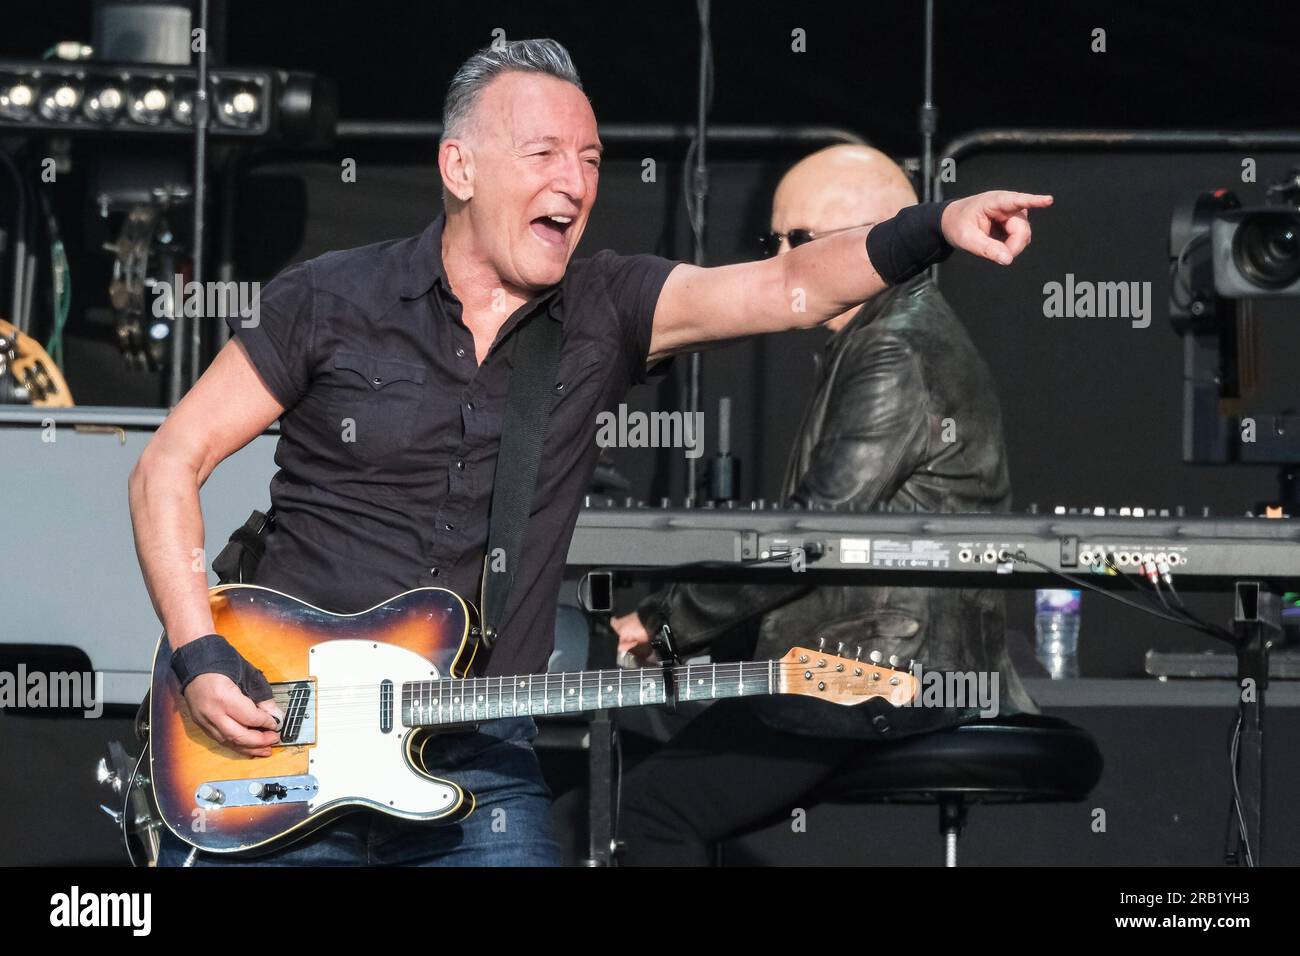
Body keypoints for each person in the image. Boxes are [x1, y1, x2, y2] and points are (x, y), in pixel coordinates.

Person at [127, 39, 1050, 866]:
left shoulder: (605, 310)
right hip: (274, 738)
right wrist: (199, 652)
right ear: (459, 167)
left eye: (591, 159)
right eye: (543, 155)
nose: (573, 182)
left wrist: (932, 228)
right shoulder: (330, 298)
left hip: (475, 764)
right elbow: (169, 464)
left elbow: (790, 284)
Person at [609, 144, 1038, 866]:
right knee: (624, 787)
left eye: (797, 241)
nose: (781, 263)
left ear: (875, 237)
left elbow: (811, 536)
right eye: (771, 243)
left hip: (877, 674)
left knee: (641, 816)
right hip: (868, 666)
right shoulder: (883, 338)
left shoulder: (894, 351)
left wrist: (660, 623)